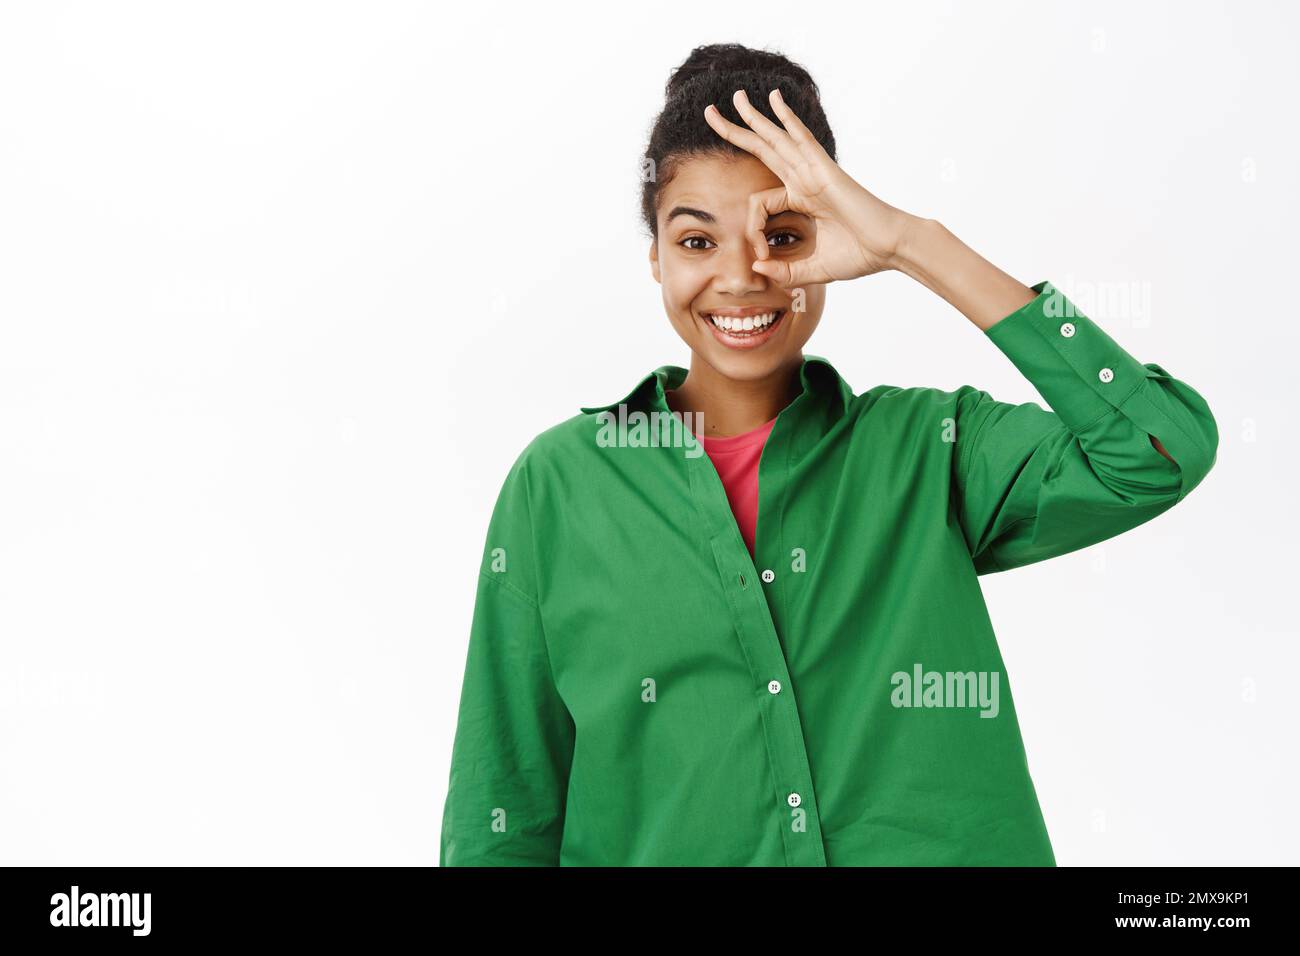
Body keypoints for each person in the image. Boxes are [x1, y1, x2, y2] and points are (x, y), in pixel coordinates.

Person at [439, 43, 1218, 866]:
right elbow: (505, 805)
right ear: (656, 259)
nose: (742, 277)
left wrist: (913, 245)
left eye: (781, 234)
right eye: (698, 242)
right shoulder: (559, 487)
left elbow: (1159, 449)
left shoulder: (930, 449)